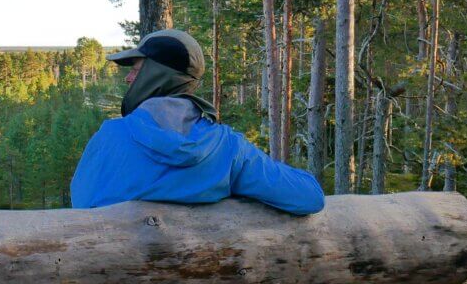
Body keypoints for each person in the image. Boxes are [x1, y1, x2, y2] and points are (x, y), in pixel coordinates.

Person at [70, 29, 324, 215]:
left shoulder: (111, 137)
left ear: (155, 75)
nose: (128, 79)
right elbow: (309, 197)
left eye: (136, 70)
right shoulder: (226, 147)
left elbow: (82, 206)